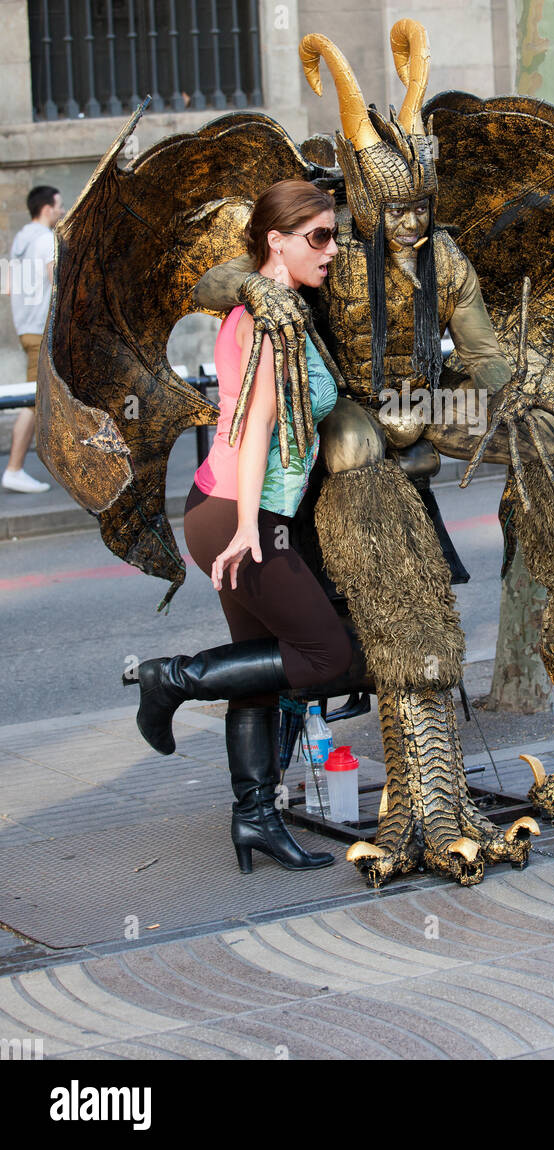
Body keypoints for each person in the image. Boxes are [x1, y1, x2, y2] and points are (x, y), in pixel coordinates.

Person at [130, 180, 353, 873]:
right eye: (319, 236)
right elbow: (255, 427)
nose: (333, 248)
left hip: (227, 508)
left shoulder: (280, 307)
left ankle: (255, 819)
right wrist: (254, 527)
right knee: (328, 658)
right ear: (276, 241)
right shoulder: (263, 320)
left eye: (334, 233)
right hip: (238, 513)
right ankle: (172, 677)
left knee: (256, 681)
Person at [2, 185, 64, 493]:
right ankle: (13, 469)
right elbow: (58, 281)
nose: (62, 211)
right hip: (41, 329)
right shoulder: (45, 241)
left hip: (26, 327)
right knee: (32, 400)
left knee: (44, 398)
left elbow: (9, 286)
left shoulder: (19, 242)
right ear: (47, 209)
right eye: (59, 206)